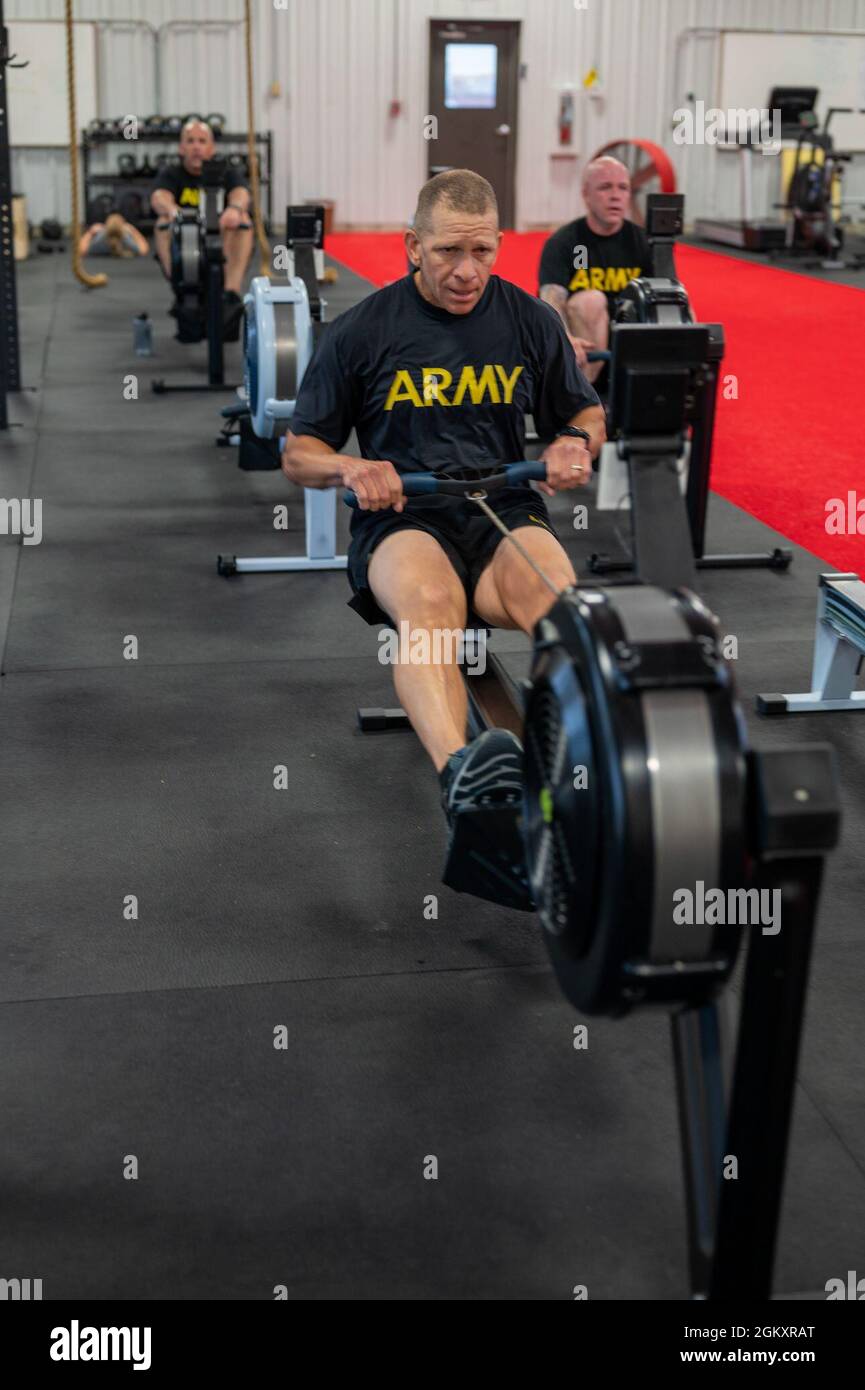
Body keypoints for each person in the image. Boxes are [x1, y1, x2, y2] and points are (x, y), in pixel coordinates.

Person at [282, 169, 606, 909]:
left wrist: (570, 446)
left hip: (503, 510)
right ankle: (467, 783)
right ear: (410, 247)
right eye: (450, 252)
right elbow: (299, 452)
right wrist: (352, 466)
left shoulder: (528, 321)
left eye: (484, 252)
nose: (468, 272)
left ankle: (596, 774)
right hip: (405, 519)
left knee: (564, 606)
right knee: (431, 609)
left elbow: (584, 416)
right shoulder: (363, 330)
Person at [538, 156, 655, 385]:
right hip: (581, 350)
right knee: (590, 301)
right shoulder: (564, 242)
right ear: (586, 195)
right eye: (605, 187)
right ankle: (581, 402)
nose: (615, 196)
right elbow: (549, 298)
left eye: (623, 188)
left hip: (630, 343)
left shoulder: (644, 242)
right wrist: (565, 337)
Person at [149, 118, 253, 342]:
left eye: (202, 141)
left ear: (211, 147)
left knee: (243, 220)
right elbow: (159, 197)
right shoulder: (172, 173)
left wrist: (234, 209)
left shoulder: (225, 170)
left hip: (219, 241)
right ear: (181, 148)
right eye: (190, 141)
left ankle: (230, 294)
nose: (196, 146)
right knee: (162, 222)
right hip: (187, 246)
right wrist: (172, 210)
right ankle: (181, 289)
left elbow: (241, 193)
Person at [78, 211, 148, 258]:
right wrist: (133, 231)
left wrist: (90, 232)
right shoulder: (125, 238)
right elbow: (143, 250)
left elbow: (81, 250)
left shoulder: (101, 237)